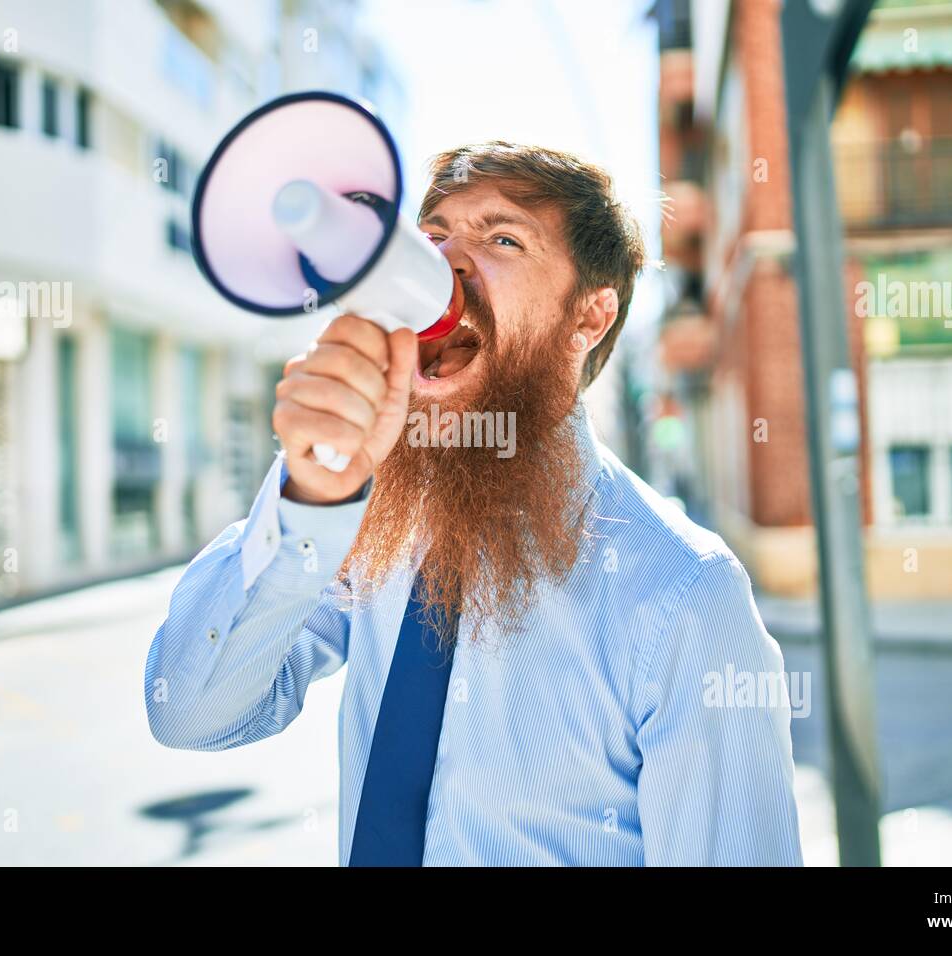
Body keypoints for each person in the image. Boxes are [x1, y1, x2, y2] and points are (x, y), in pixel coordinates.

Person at [144, 142, 804, 866]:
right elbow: (190, 711)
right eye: (432, 238)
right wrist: (310, 496)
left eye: (502, 238)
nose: (446, 267)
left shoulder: (684, 594)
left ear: (589, 316)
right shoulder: (361, 521)